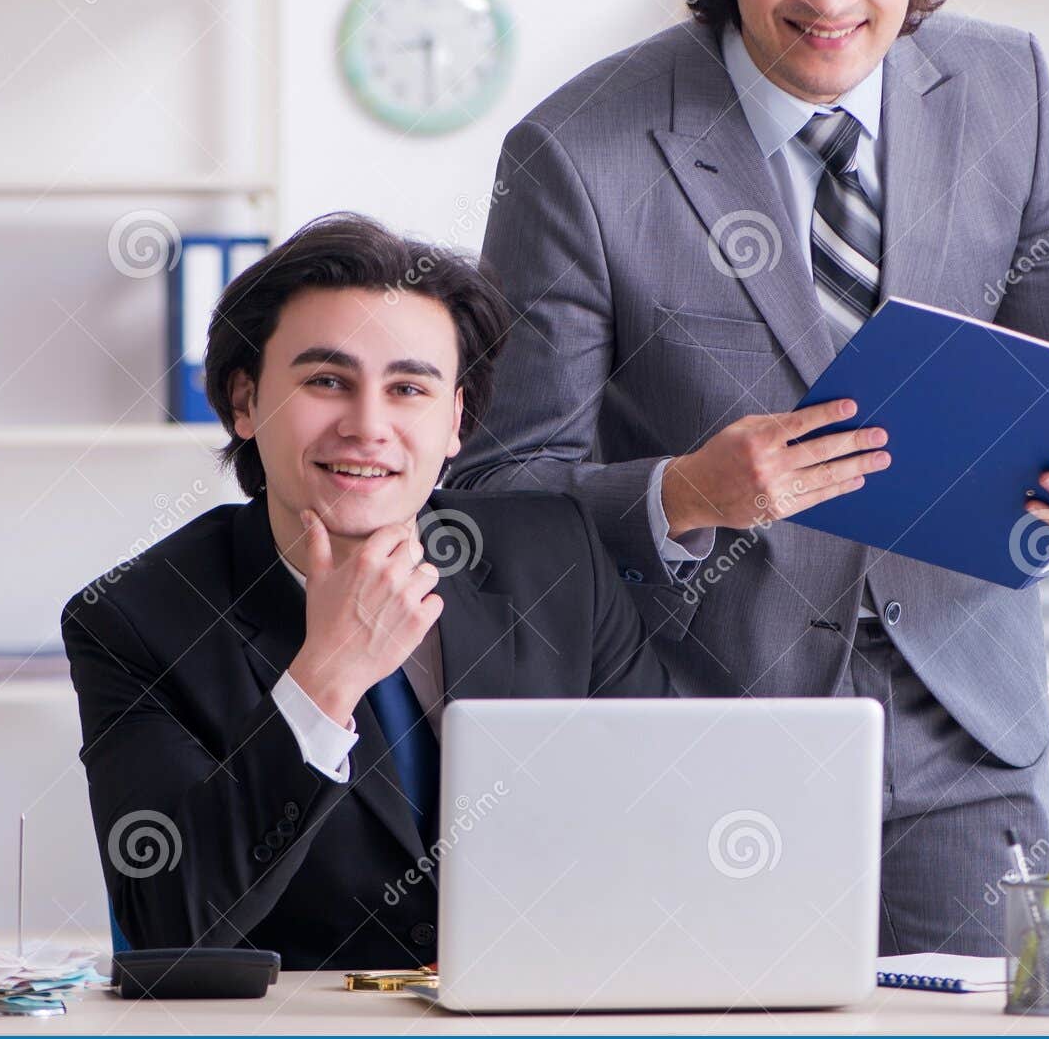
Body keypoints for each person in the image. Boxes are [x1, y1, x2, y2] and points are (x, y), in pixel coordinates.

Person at [450, 0, 1049, 955]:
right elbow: (487, 508)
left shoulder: (1006, 89)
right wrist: (686, 492)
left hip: (970, 753)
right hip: (698, 757)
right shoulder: (574, 154)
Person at [62, 214, 670, 970]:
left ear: (455, 421)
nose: (368, 425)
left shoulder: (558, 558)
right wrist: (327, 677)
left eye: (409, 387)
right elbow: (171, 922)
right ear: (245, 401)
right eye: (326, 381)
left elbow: (663, 815)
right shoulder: (135, 619)